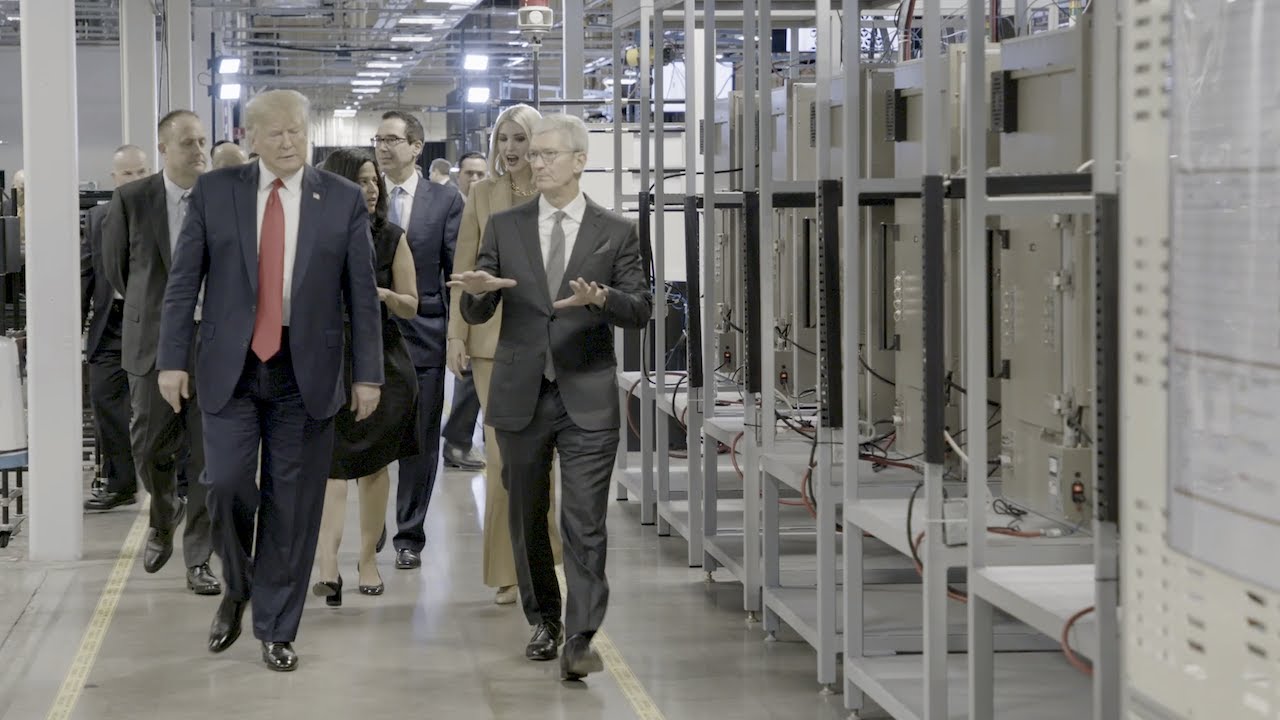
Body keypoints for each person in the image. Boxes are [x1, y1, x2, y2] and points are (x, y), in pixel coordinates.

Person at [156, 89, 383, 672]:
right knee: (228, 483)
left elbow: (362, 296)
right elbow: (184, 282)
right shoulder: (216, 192)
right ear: (250, 136)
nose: (288, 142)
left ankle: (276, 626)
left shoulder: (341, 199)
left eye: (297, 131)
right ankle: (237, 585)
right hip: (229, 367)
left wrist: (369, 376)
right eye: (275, 133)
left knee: (295, 503)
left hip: (306, 371)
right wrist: (171, 359)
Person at [450, 113, 652, 680]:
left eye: (546, 155)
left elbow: (640, 309)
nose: (533, 163)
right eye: (531, 156)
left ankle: (582, 635)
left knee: (585, 519)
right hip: (520, 391)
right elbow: (479, 301)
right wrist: (478, 297)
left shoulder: (615, 230)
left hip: (586, 393)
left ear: (579, 161)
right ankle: (545, 619)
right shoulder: (506, 225)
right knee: (526, 511)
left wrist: (604, 298)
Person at [447, 106, 562, 606]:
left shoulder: (556, 191)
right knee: (503, 461)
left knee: (546, 460)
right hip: (493, 343)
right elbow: (464, 268)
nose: (511, 148)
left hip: (551, 340)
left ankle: (547, 561)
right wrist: (457, 335)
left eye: (521, 138)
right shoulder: (482, 195)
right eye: (504, 138)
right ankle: (507, 569)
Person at [101, 111, 218, 595]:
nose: (199, 151)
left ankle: (198, 558)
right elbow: (117, 272)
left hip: (209, 344)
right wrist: (162, 315)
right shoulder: (132, 200)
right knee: (150, 446)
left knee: (209, 458)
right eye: (188, 143)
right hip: (151, 344)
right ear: (164, 149)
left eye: (202, 142)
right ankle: (162, 512)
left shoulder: (219, 197)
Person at [312, 148, 419, 605]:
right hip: (328, 361)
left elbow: (413, 304)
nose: (372, 188)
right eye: (360, 179)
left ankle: (369, 560)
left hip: (383, 361)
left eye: (374, 180)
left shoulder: (392, 237)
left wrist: (380, 294)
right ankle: (328, 566)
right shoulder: (314, 237)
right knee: (330, 469)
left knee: (375, 468)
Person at [373, 110, 462, 571]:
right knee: (368, 436)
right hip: (370, 336)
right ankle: (374, 528)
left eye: (392, 139)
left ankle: (410, 535)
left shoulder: (445, 201)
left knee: (421, 440)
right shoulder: (361, 197)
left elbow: (454, 276)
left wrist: (454, 335)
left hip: (423, 336)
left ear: (416, 146)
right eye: (378, 139)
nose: (383, 147)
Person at [82, 144, 150, 512]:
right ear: (115, 178)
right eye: (127, 173)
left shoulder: (167, 216)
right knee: (106, 401)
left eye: (141, 171)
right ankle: (121, 483)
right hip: (112, 325)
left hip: (155, 326)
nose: (135, 179)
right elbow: (86, 274)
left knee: (165, 408)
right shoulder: (98, 219)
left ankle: (183, 484)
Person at [440, 151, 488, 473]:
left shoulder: (492, 204)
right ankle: (456, 442)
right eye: (468, 173)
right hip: (457, 301)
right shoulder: (453, 207)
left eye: (479, 174)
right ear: (459, 175)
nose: (473, 179)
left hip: (488, 300)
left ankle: (460, 440)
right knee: (467, 377)